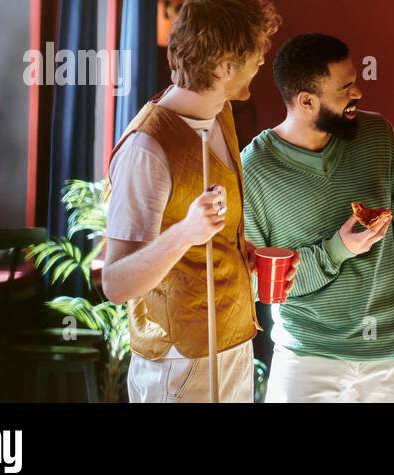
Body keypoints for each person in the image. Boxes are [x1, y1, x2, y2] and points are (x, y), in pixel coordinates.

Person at [243, 34, 394, 403]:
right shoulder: (255, 169)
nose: (358, 93)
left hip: (392, 352)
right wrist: (336, 250)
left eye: (356, 80)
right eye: (345, 88)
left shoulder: (377, 135)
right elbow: (259, 286)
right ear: (307, 101)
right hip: (307, 356)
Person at [103, 0, 282, 403]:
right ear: (224, 67)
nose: (261, 62)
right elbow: (115, 283)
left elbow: (212, 238)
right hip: (178, 367)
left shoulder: (221, 113)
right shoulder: (147, 147)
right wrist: (185, 233)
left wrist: (240, 253)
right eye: (256, 53)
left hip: (233, 346)